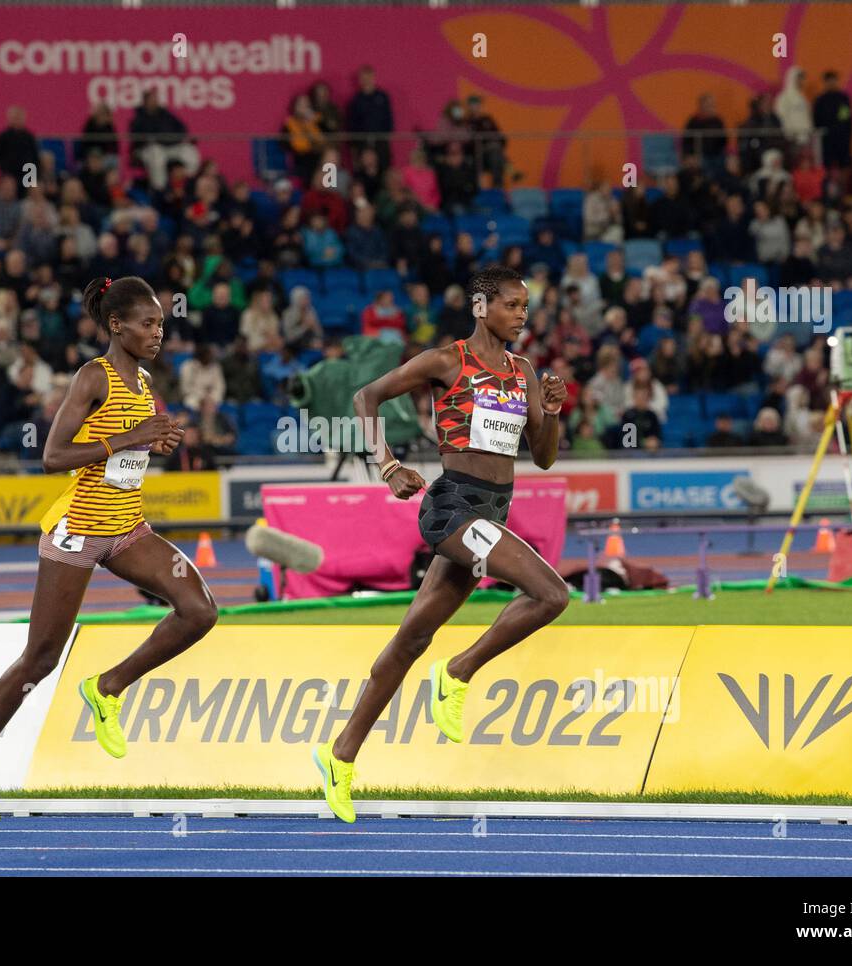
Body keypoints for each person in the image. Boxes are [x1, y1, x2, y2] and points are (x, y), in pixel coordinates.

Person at [0, 276, 218, 823]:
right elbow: (52, 457)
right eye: (148, 323)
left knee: (199, 611)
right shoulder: (93, 375)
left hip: (128, 528)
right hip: (78, 529)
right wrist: (130, 439)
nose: (158, 332)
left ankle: (108, 687)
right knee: (41, 657)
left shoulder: (143, 379)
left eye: (162, 323)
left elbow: (127, 456)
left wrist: (156, 442)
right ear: (116, 325)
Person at [314, 265, 569, 823]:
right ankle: (458, 673)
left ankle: (339, 757)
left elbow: (544, 455)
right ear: (481, 307)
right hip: (452, 506)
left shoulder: (524, 371)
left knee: (411, 637)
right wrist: (386, 466)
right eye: (511, 305)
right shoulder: (447, 360)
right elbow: (366, 396)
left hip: (492, 512)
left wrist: (550, 412)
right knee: (552, 594)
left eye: (526, 307)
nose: (522, 315)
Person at [129, 90, 200, 191]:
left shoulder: (166, 114)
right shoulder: (139, 118)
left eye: (155, 99)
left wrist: (177, 139)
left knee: (189, 150)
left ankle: (187, 182)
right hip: (150, 149)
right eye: (151, 99)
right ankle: (160, 189)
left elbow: (182, 129)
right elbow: (137, 138)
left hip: (171, 145)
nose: (154, 102)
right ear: (145, 102)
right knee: (156, 154)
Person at [345, 65, 394, 167]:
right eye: (363, 78)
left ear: (373, 77)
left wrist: (386, 135)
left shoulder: (382, 97)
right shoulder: (356, 100)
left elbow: (388, 118)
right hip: (362, 142)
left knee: (384, 168)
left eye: (368, 77)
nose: (366, 81)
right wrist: (354, 145)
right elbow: (352, 124)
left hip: (381, 141)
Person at [812, 71, 852, 171]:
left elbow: (846, 117)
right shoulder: (820, 100)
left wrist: (842, 131)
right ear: (825, 82)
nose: (831, 83)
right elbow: (816, 120)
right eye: (829, 81)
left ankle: (842, 186)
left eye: (833, 80)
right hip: (825, 139)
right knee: (826, 165)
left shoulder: (843, 98)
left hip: (842, 137)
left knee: (844, 165)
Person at [0, 105, 39, 193]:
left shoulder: (29, 136)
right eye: (15, 117)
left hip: (27, 173)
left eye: (19, 117)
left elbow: (34, 158)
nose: (17, 120)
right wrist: (6, 175)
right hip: (9, 174)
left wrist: (32, 180)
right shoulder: (3, 136)